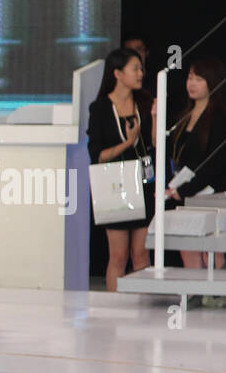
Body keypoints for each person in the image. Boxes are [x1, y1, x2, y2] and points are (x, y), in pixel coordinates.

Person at [87, 47, 155, 291]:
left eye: (141, 68)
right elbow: (97, 155)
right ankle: (114, 308)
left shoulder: (145, 103)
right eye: (134, 69)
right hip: (115, 187)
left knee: (141, 254)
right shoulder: (100, 109)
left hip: (144, 184)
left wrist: (156, 117)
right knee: (118, 256)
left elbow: (155, 145)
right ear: (117, 73)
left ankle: (142, 305)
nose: (140, 73)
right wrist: (127, 142)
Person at [166, 57, 226, 272]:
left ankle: (216, 296)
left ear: (212, 81)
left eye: (199, 79)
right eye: (190, 77)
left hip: (210, 192)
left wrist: (184, 190)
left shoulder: (219, 117)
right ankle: (192, 294)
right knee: (188, 248)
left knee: (212, 249)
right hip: (184, 193)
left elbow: (215, 163)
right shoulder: (183, 116)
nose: (191, 83)